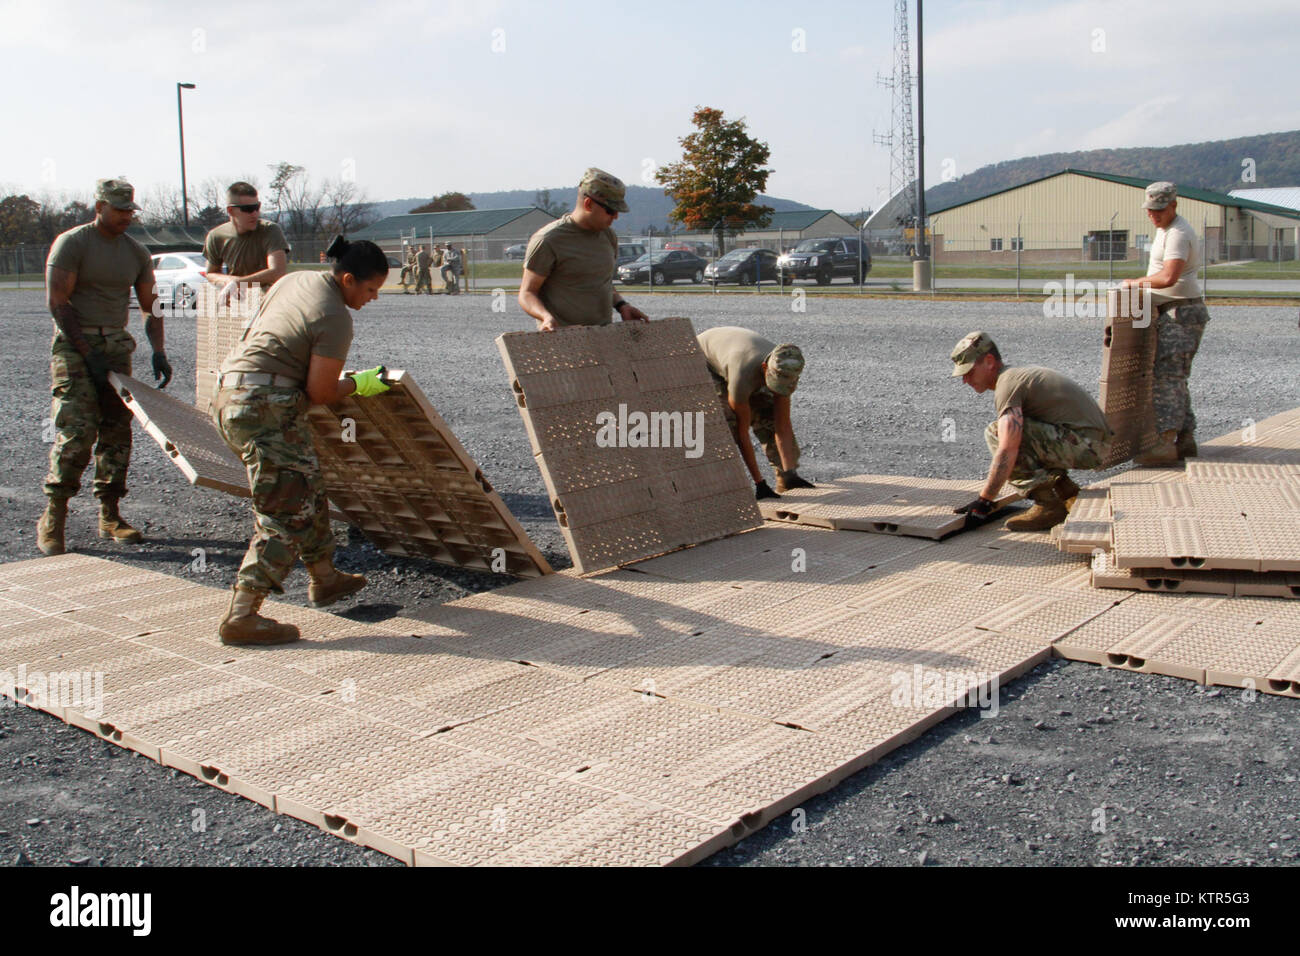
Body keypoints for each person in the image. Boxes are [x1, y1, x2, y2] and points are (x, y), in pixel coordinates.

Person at [212, 235, 391, 645]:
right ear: (348, 279)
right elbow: (321, 393)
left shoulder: (295, 281)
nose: (373, 298)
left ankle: (325, 578)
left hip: (230, 397)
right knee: (286, 513)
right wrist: (362, 384)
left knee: (306, 484)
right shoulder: (335, 316)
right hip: (265, 408)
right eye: (370, 290)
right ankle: (241, 615)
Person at [37, 178, 172, 556]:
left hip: (115, 346)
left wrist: (158, 350)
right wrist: (86, 351)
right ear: (99, 207)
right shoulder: (73, 243)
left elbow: (152, 305)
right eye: (119, 209)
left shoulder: (136, 252)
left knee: (117, 432)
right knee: (77, 431)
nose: (126, 216)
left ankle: (110, 514)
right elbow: (58, 301)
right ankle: (54, 515)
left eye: (130, 210)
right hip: (74, 347)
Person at [951, 331, 1111, 531]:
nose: (965, 380)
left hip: (1089, 447)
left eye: (969, 372)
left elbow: (1008, 449)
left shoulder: (1007, 385)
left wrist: (984, 502)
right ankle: (1066, 492)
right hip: (1092, 443)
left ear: (989, 361)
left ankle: (1048, 506)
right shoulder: (1016, 376)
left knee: (997, 433)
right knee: (1023, 432)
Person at [1120, 181, 1210, 464]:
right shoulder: (1165, 230)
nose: (1153, 216)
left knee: (1167, 376)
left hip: (1180, 312)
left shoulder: (1179, 233)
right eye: (1150, 210)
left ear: (1174, 205)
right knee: (1175, 375)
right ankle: (1184, 440)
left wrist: (1135, 283)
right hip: (1171, 310)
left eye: (1159, 210)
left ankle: (1164, 443)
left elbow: (1169, 276)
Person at [518, 167, 649, 330]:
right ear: (588, 204)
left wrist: (622, 305)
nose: (615, 217)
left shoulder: (608, 236)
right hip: (562, 341)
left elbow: (603, 282)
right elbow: (527, 293)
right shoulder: (548, 240)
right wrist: (545, 317)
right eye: (610, 210)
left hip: (602, 338)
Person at [697, 326, 813, 500]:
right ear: (765, 367)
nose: (778, 390)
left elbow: (782, 426)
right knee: (730, 427)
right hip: (705, 362)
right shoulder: (742, 377)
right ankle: (722, 494)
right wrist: (760, 483)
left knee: (769, 421)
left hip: (743, 360)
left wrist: (790, 473)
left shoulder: (785, 369)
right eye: (775, 384)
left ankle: (785, 484)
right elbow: (743, 434)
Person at [203, 182, 290, 305]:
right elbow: (211, 273)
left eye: (257, 207)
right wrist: (228, 280)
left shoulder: (270, 230)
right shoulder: (216, 236)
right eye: (248, 209)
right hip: (239, 300)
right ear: (231, 211)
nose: (255, 214)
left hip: (270, 300)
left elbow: (277, 272)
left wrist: (238, 283)